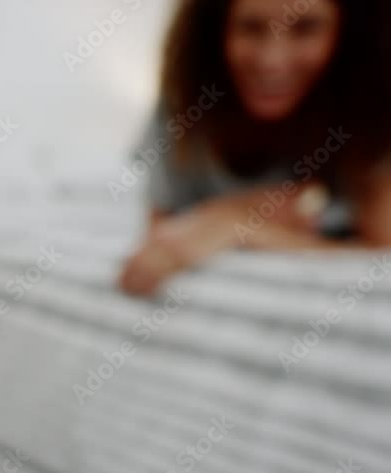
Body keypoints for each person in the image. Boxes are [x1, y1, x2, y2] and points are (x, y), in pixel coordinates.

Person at [119, 0, 391, 296]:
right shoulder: (185, 104)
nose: (272, 62)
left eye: (306, 28)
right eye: (250, 27)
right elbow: (163, 244)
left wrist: (239, 226)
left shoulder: (373, 106)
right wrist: (256, 213)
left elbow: (380, 259)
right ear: (215, 29)